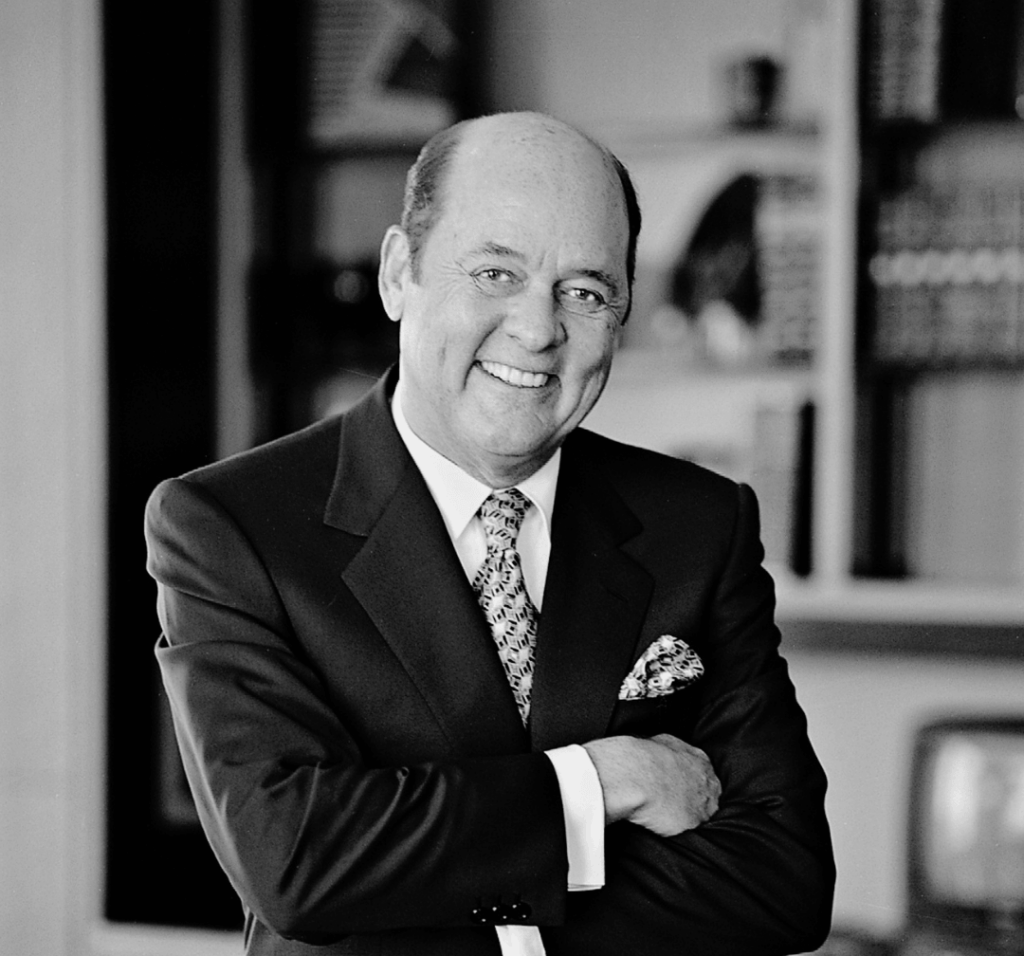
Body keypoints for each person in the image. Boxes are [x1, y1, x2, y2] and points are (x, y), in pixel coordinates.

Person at [145, 111, 834, 956]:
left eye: (585, 292)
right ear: (399, 274)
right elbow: (299, 863)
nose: (538, 330)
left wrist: (421, 883)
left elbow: (783, 881)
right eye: (496, 273)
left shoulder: (700, 525)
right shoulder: (232, 527)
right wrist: (596, 784)